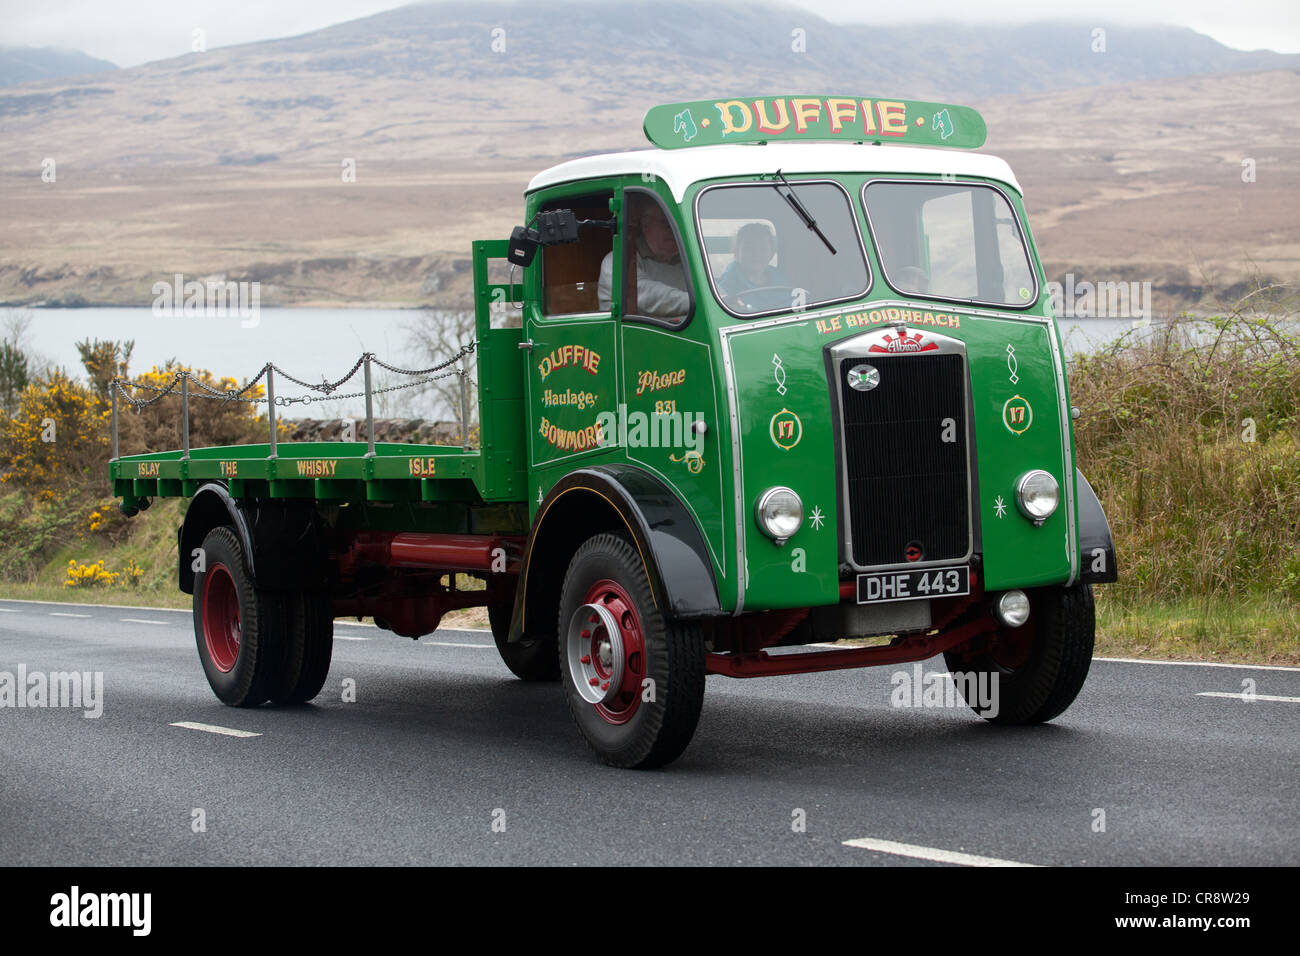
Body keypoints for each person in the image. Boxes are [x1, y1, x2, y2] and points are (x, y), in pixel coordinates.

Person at [598, 197, 689, 319]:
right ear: (646, 225)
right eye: (666, 224)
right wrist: (696, 302)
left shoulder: (687, 261)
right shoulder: (616, 261)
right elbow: (646, 296)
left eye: (676, 226)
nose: (673, 230)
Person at [716, 222, 790, 297]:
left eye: (763, 249)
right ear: (736, 253)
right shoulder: (728, 283)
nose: (756, 254)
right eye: (749, 248)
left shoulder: (780, 279)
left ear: (771, 254)